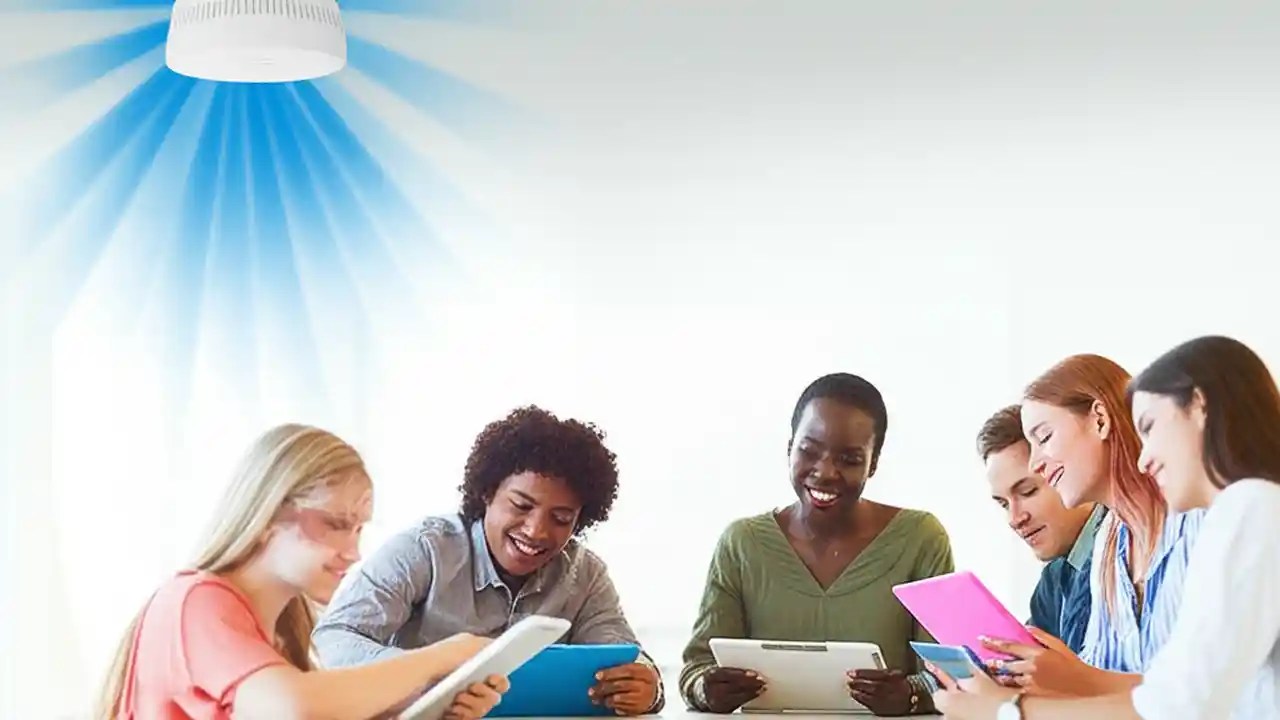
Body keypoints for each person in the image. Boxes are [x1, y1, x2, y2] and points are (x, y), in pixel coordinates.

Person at [932, 334, 1280, 719]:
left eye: (1044, 437)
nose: (1145, 458)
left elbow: (1182, 702)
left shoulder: (1241, 510)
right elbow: (1162, 689)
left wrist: (1008, 711)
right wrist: (1058, 681)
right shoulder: (1108, 548)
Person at [95, 424, 506, 720]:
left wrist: (436, 710)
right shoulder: (194, 600)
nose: (354, 551)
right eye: (336, 524)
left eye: (359, 528)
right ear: (268, 516)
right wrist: (442, 657)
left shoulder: (281, 638)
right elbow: (292, 709)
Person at [313, 405, 663, 716]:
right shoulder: (425, 549)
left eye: (560, 518)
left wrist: (647, 687)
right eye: (521, 506)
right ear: (487, 493)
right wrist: (428, 674)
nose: (536, 531)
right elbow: (331, 642)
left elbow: (627, 658)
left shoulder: (585, 573)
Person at [679, 373, 955, 717]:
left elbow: (947, 677)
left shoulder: (920, 539)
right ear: (789, 448)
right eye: (809, 451)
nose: (824, 472)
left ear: (874, 463)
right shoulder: (742, 545)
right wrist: (708, 689)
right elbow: (696, 670)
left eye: (849, 459)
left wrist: (910, 695)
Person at [975, 354, 1205, 695]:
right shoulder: (1110, 545)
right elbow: (1100, 679)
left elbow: (1208, 694)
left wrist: (1071, 683)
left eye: (1044, 436)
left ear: (1099, 419)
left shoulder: (1200, 520)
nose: (1037, 463)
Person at [976, 404, 1103, 654]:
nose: (1014, 518)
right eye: (1003, 503)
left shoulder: (1127, 554)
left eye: (1027, 492)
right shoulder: (1055, 579)